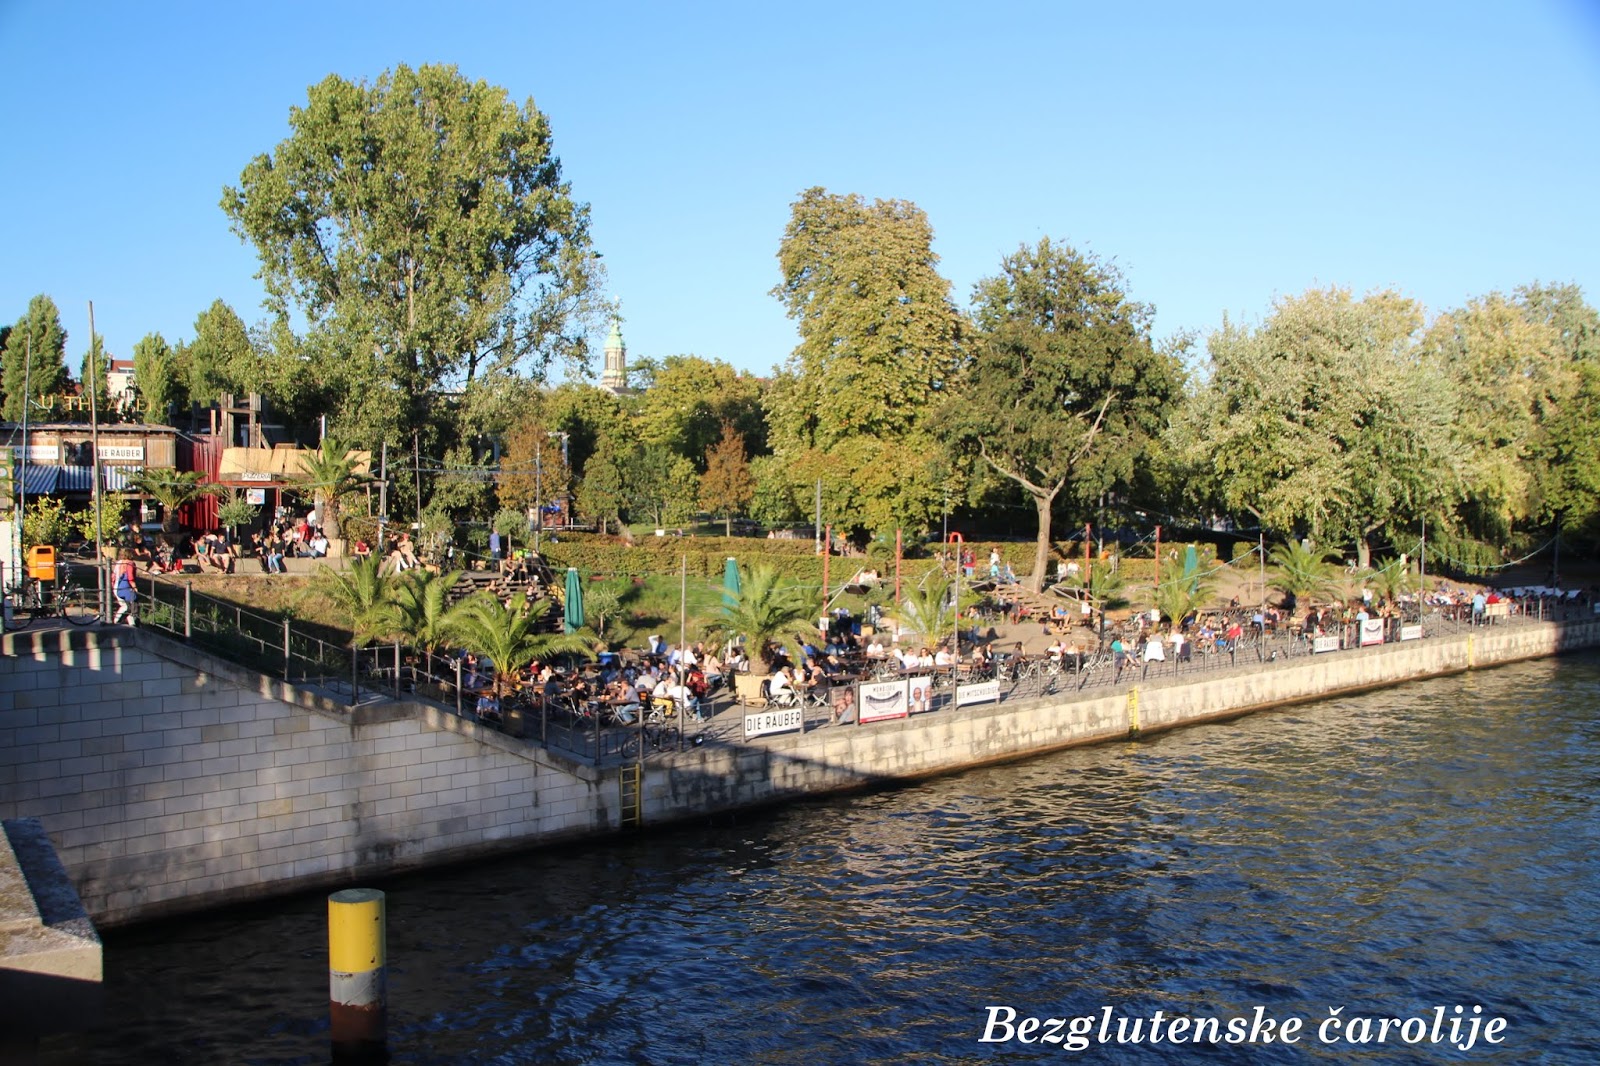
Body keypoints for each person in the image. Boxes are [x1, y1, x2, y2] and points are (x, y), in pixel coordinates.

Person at [112, 549, 139, 625]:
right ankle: (130, 621)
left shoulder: (119, 563)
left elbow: (113, 576)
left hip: (117, 586)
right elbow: (130, 577)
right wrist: (134, 587)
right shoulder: (130, 563)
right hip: (125, 587)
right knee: (133, 604)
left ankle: (130, 622)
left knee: (126, 605)